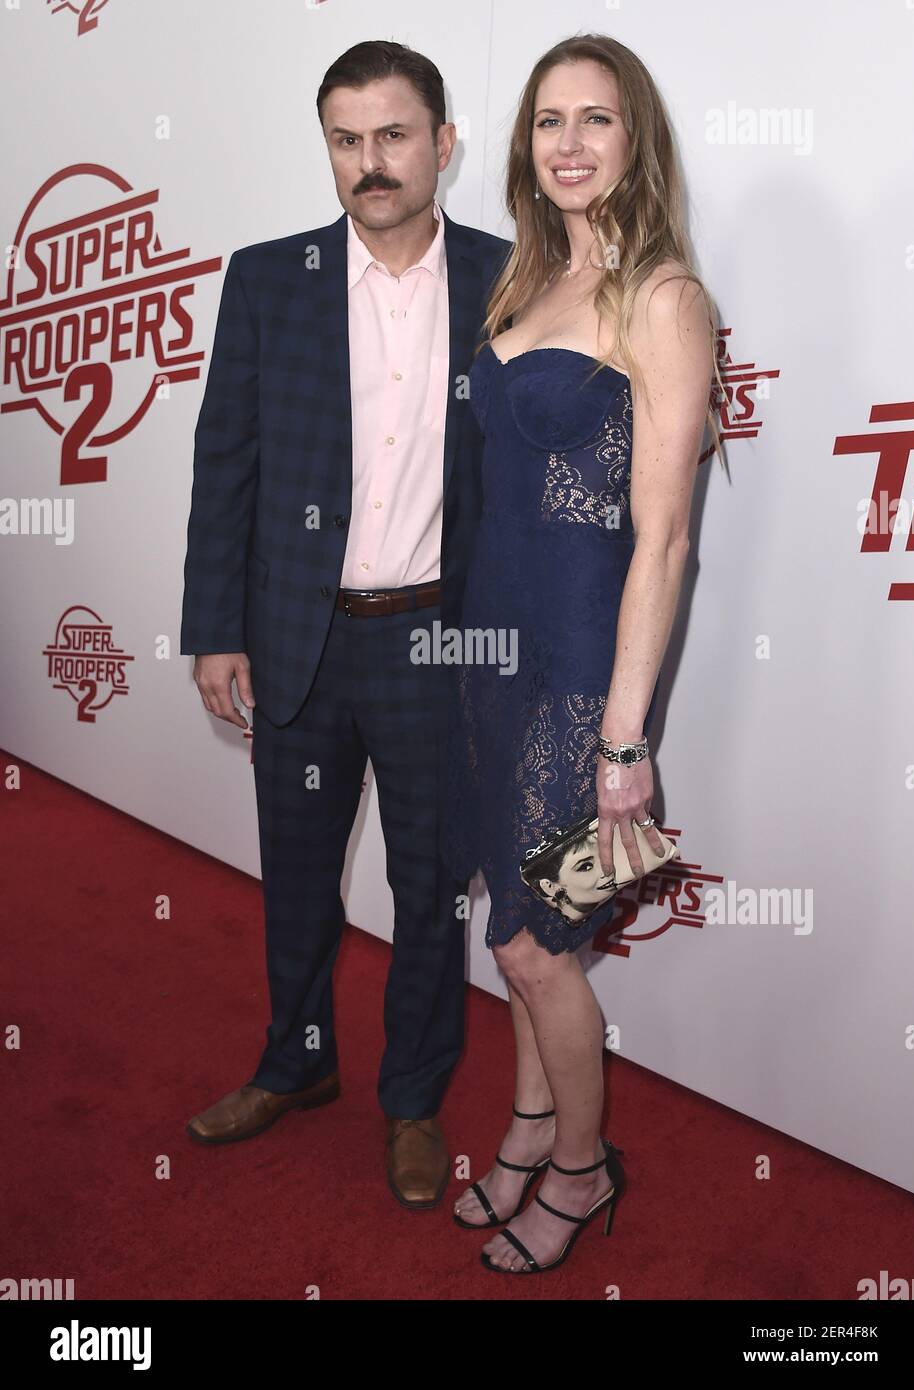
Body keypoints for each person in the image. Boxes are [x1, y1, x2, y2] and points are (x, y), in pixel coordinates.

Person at [179, 40, 509, 1209]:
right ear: (327, 145)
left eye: (393, 136)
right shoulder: (269, 279)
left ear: (442, 144)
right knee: (298, 875)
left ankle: (412, 1100)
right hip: (297, 640)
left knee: (430, 888)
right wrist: (216, 628)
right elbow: (228, 462)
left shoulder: (506, 280)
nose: (369, 163)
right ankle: (295, 1062)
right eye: (345, 139)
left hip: (438, 646)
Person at [443, 33, 721, 1272]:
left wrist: (623, 738)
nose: (567, 142)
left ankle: (581, 1166)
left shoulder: (659, 299)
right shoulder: (522, 282)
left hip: (572, 665)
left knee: (531, 943)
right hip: (491, 653)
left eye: (594, 119)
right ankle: (525, 1123)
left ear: (633, 138)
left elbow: (662, 543)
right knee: (513, 913)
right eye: (547, 119)